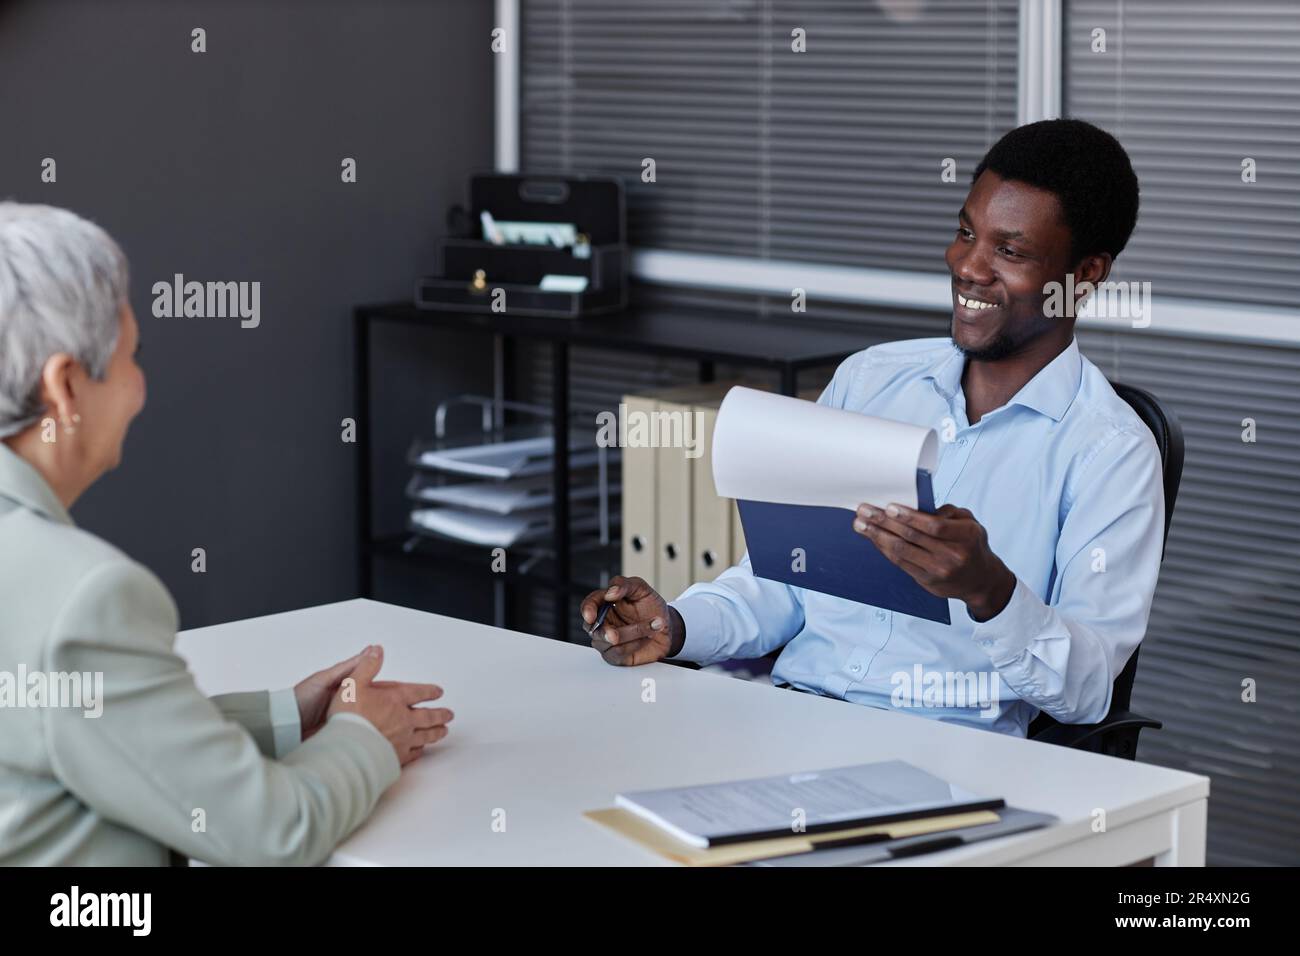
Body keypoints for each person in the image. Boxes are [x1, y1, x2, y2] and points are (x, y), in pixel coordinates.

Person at [582, 119, 1164, 737]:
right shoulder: (869, 381)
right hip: (791, 724)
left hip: (948, 750)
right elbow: (781, 583)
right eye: (966, 232)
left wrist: (990, 592)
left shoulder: (1111, 451)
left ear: (1086, 273)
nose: (969, 266)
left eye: (1010, 252)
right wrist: (673, 625)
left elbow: (1087, 693)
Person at [0, 202, 453, 865]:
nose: (140, 387)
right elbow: (271, 834)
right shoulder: (84, 597)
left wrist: (290, 715)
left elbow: (79, 730)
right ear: (66, 387)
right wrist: (364, 738)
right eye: (131, 357)